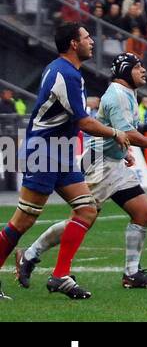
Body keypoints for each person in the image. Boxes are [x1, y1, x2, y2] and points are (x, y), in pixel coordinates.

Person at [15, 54, 147, 291]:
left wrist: (124, 152)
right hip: (99, 164)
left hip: (113, 162)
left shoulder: (127, 93)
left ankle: (131, 274)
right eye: (138, 67)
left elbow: (121, 132)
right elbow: (127, 132)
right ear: (124, 70)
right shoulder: (117, 95)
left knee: (142, 212)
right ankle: (31, 254)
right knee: (83, 217)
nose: (143, 70)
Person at [0, 24, 128, 301]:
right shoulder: (67, 74)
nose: (92, 41)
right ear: (73, 43)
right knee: (22, 221)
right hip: (44, 151)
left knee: (87, 211)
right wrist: (116, 133)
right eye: (86, 38)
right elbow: (83, 121)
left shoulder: (64, 70)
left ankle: (60, 275)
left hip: (61, 152)